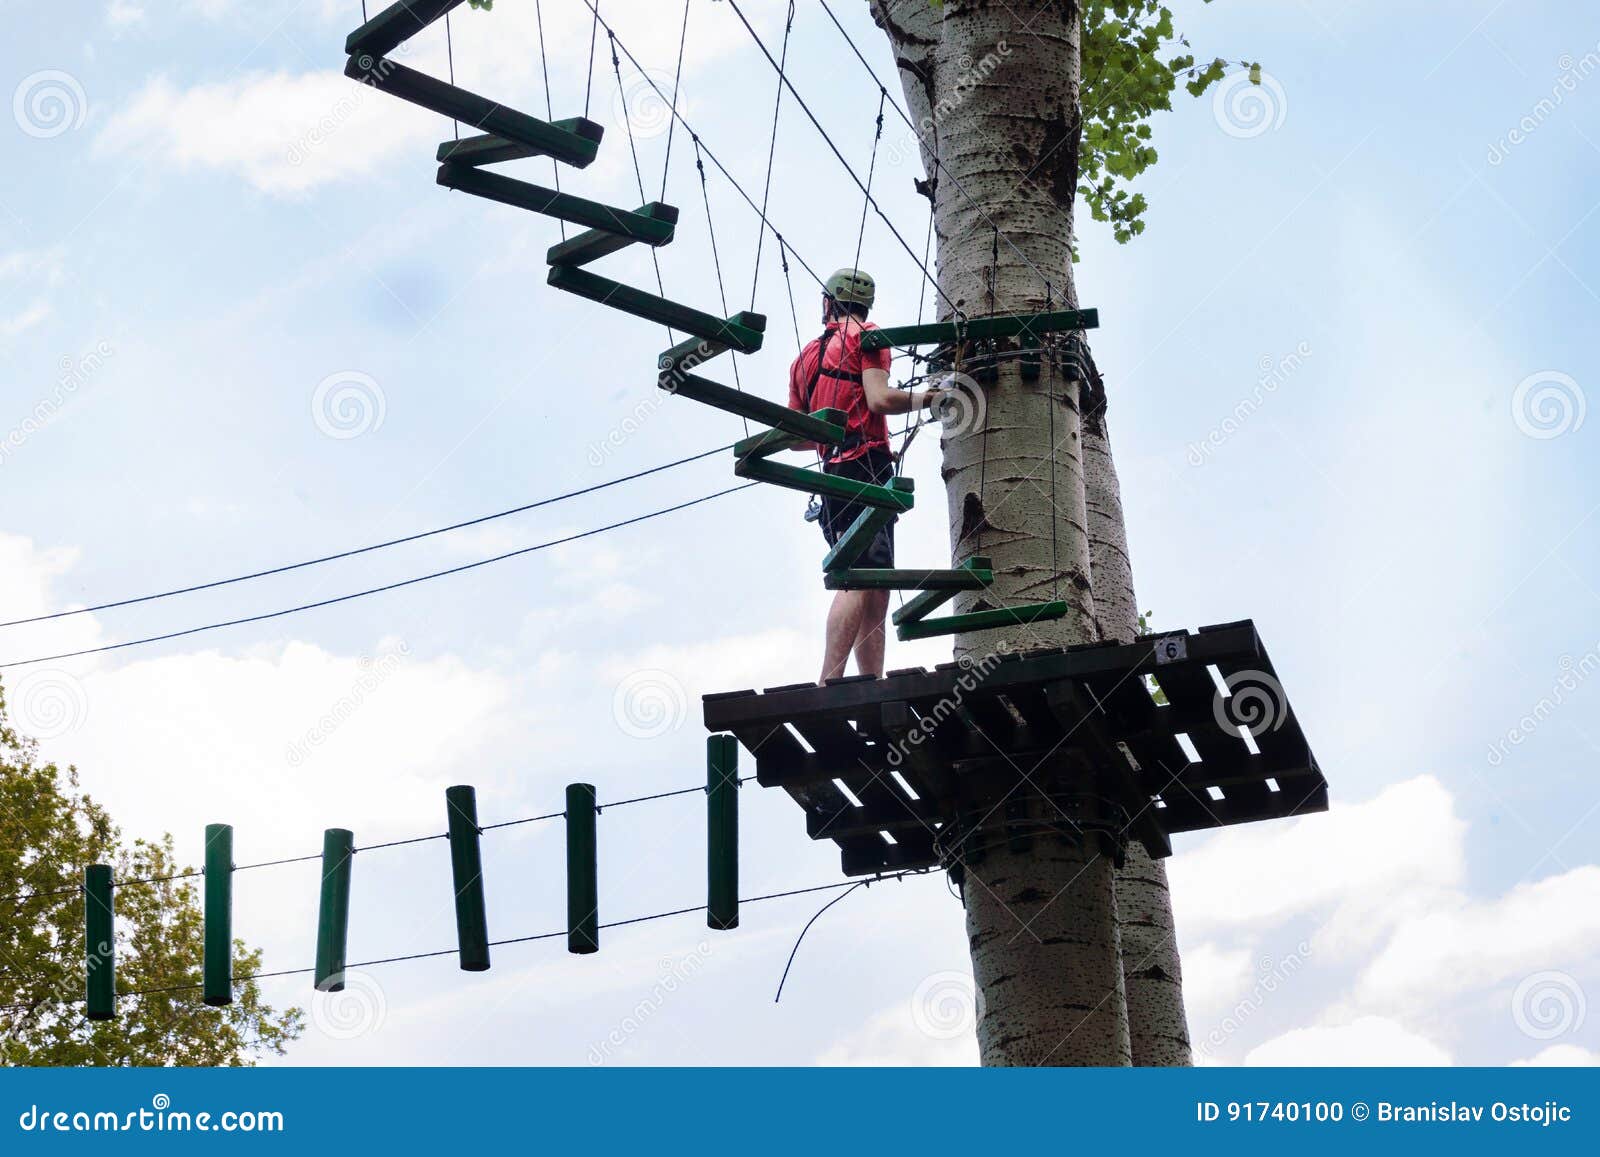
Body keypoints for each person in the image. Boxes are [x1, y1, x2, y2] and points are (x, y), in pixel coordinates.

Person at [787, 267, 948, 683]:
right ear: (865, 305)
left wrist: (834, 431)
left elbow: (795, 438)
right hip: (867, 466)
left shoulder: (804, 359)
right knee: (859, 578)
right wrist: (931, 399)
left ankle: (869, 683)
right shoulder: (868, 336)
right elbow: (878, 399)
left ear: (827, 304)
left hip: (834, 474)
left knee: (874, 581)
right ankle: (830, 681)